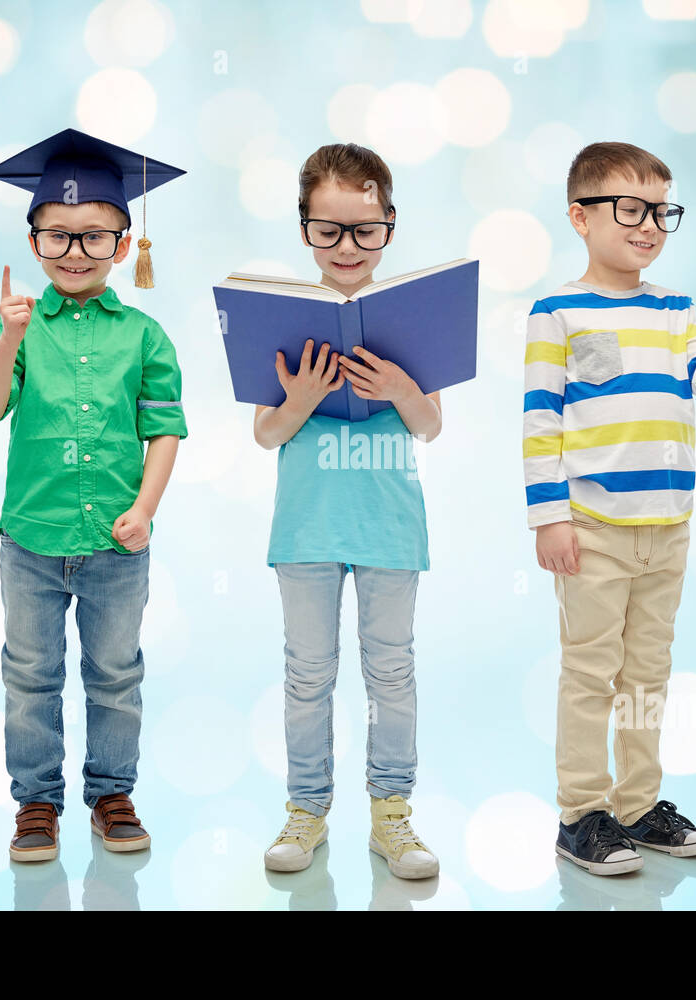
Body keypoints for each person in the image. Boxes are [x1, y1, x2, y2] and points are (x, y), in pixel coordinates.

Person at [523, 141, 696, 875]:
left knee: (647, 676)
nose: (650, 224)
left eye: (662, 210)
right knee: (591, 673)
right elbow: (540, 419)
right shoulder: (556, 311)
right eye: (631, 208)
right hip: (592, 528)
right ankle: (582, 812)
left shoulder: (675, 308)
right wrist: (549, 517)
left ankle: (637, 804)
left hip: (668, 527)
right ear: (580, 217)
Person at [0, 128, 187, 863]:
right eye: (57, 237)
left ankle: (112, 794)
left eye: (95, 237)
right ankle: (36, 803)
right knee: (30, 673)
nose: (74, 252)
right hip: (31, 538)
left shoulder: (146, 335)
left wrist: (146, 508)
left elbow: (165, 431)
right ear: (34, 241)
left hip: (117, 543)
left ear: (125, 246)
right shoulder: (22, 329)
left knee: (115, 671)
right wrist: (7, 338)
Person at [254, 143, 441, 879]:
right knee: (308, 672)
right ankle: (307, 810)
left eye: (366, 230)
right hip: (306, 526)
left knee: (391, 671)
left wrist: (398, 386)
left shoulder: (413, 317)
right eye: (328, 230)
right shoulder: (283, 316)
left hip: (390, 524)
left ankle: (392, 815)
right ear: (304, 229)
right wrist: (298, 401)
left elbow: (430, 425)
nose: (348, 247)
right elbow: (266, 432)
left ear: (390, 225)